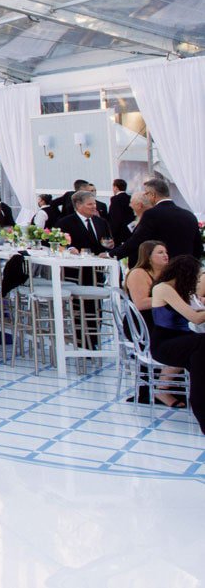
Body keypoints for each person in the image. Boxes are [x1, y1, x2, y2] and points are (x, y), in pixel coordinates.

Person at [148, 254, 205, 434]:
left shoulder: (178, 289)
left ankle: (200, 405)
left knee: (201, 358)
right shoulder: (163, 288)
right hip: (164, 344)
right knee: (202, 343)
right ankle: (199, 405)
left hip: (181, 341)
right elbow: (195, 318)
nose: (196, 281)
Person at [124, 241, 180, 407]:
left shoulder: (167, 274)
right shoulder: (139, 273)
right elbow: (140, 303)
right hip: (143, 325)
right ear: (148, 257)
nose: (166, 255)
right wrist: (168, 298)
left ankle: (172, 385)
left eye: (166, 252)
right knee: (185, 340)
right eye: (160, 252)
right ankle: (163, 388)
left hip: (162, 321)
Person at [120, 177, 204, 264]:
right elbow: (198, 248)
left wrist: (112, 254)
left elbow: (137, 241)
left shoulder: (152, 214)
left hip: (164, 270)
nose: (146, 197)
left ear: (153, 195)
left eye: (146, 194)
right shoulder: (189, 215)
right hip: (186, 269)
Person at [54, 189, 113, 256]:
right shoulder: (64, 223)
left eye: (94, 203)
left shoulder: (102, 222)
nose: (94, 207)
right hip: (77, 263)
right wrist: (70, 248)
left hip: (100, 263)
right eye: (90, 204)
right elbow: (58, 243)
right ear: (78, 205)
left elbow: (108, 243)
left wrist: (109, 246)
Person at [108, 178, 135, 243]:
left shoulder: (115, 199)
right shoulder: (130, 198)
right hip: (130, 229)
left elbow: (115, 217)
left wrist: (112, 232)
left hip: (119, 232)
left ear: (116, 187)